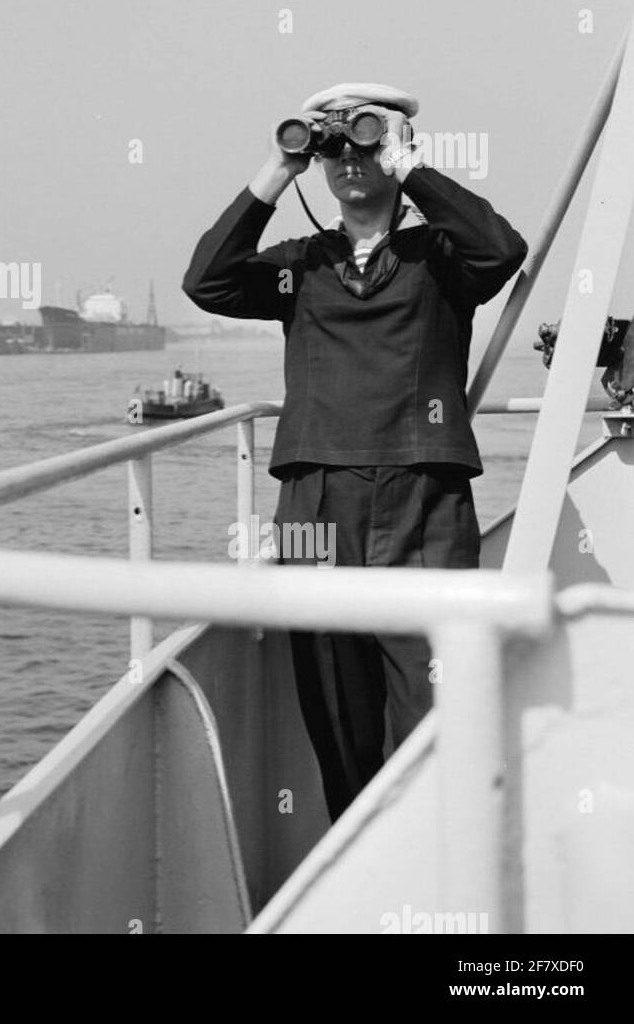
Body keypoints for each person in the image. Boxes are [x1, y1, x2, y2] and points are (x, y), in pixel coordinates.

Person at [181, 82, 527, 821]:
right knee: (336, 708)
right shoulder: (301, 265)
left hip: (425, 497)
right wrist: (280, 167)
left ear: (398, 147)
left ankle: (440, 856)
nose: (348, 158)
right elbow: (207, 281)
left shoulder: (442, 258)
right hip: (314, 497)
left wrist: (409, 168)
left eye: (364, 140)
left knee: (437, 701)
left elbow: (502, 250)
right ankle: (358, 858)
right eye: (332, 146)